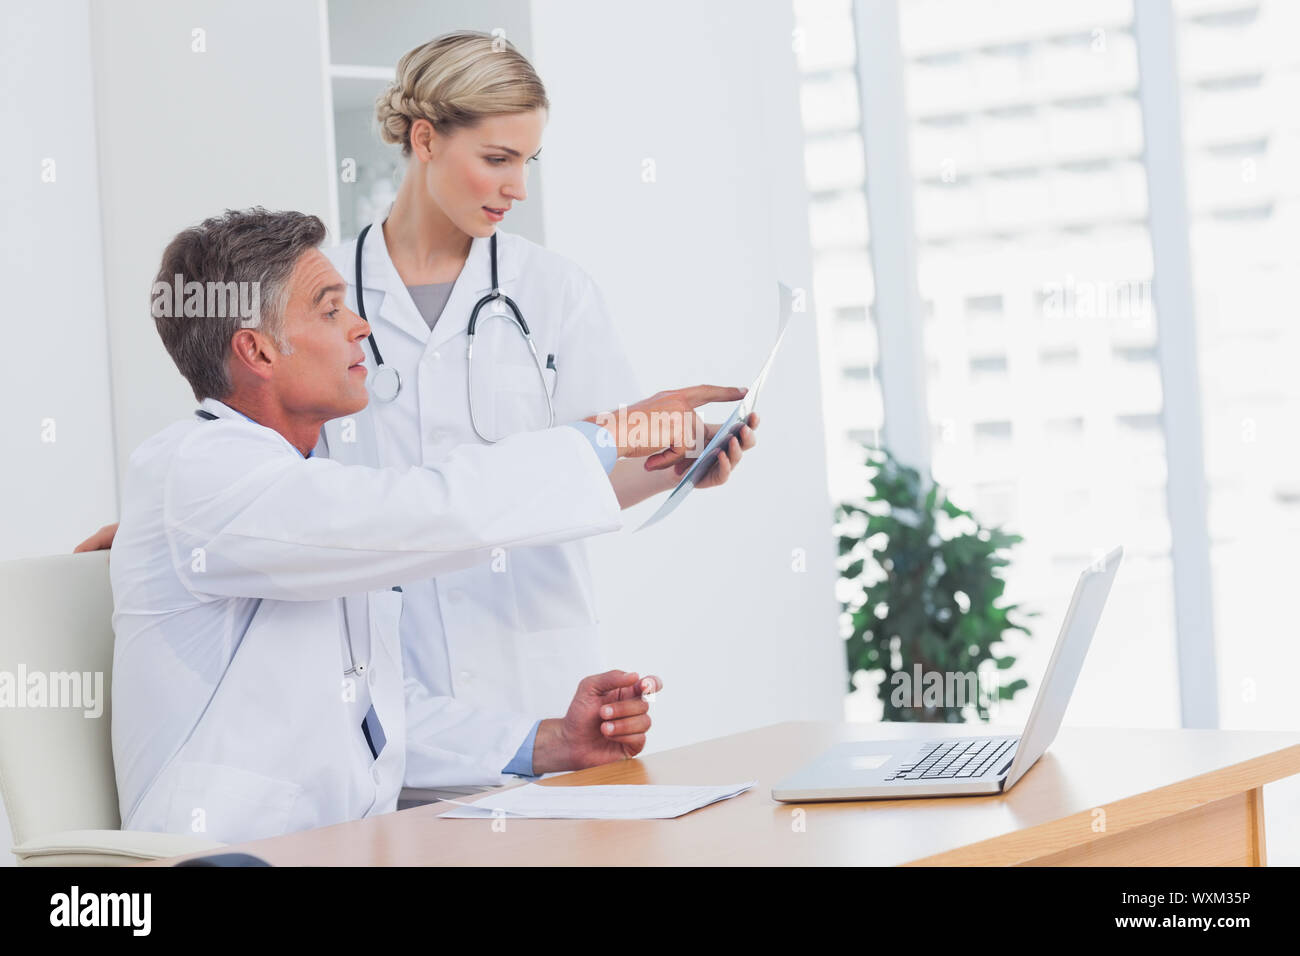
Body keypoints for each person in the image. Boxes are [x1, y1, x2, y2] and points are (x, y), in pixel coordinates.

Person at [80, 30, 760, 792]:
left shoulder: (552, 291)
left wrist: (664, 460)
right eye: (497, 159)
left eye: (527, 163)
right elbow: (376, 508)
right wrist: (613, 432)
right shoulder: (285, 330)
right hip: (331, 764)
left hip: (506, 672)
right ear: (425, 139)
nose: (517, 188)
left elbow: (365, 553)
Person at [112, 207, 736, 843]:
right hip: (215, 851)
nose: (360, 327)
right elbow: (432, 511)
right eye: (330, 311)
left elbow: (377, 716)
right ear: (258, 350)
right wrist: (611, 433)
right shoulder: (198, 469)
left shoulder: (298, 484)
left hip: (334, 846)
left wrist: (553, 743)